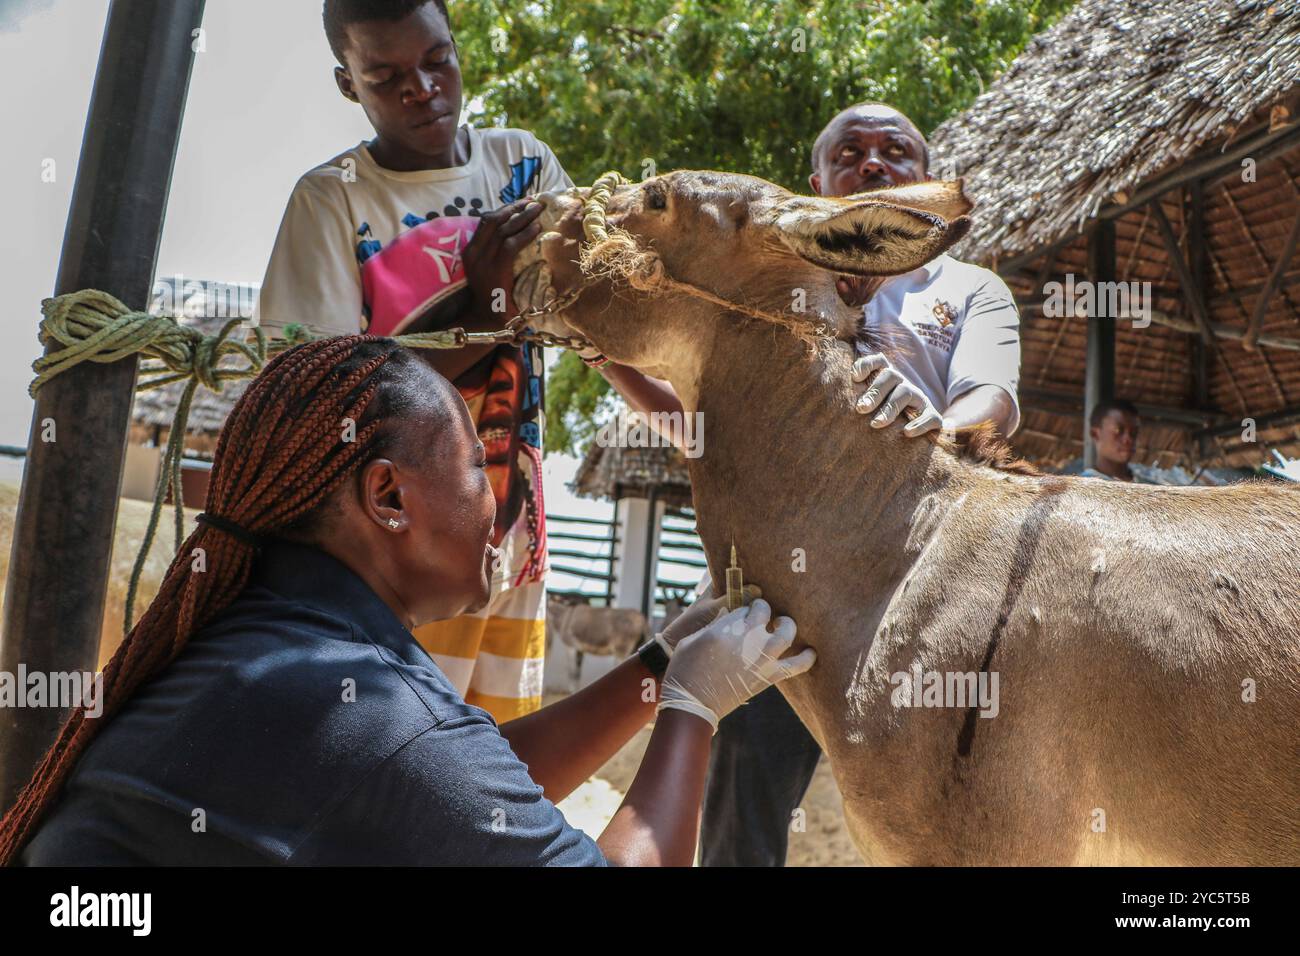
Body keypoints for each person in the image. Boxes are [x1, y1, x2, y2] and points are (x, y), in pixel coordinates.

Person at [1, 337, 814, 866]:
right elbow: (430, 770)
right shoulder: (373, 715)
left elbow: (467, 790)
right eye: (474, 464)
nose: (499, 495)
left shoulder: (260, 646)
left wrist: (661, 661)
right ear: (388, 495)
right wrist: (692, 708)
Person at [584, 102, 1023, 866]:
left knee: (955, 821)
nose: (874, 163)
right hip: (779, 590)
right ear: (815, 183)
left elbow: (993, 401)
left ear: (921, 184)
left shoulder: (971, 288)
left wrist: (936, 416)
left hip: (919, 585)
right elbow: (697, 428)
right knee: (742, 821)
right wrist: (606, 355)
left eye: (897, 152)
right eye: (849, 153)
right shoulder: (762, 279)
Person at [255, 0, 568, 724]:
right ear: (347, 84)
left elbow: (591, 312)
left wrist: (672, 409)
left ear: (457, 49)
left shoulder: (521, 166)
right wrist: (485, 316)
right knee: (398, 762)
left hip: (512, 539)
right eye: (386, 74)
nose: (421, 89)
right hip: (399, 555)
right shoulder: (331, 202)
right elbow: (325, 400)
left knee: (503, 761)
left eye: (435, 61)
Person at [1080, 399, 1143, 481]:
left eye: (1134, 432)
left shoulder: (1150, 487)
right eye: (1118, 431)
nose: (1128, 439)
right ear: (1095, 434)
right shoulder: (1082, 488)